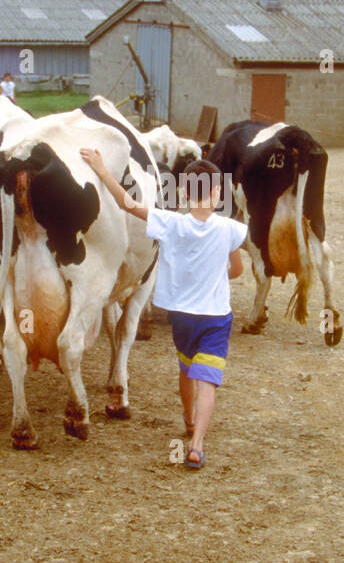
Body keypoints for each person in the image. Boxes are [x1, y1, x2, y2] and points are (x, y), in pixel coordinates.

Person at [79, 150, 245, 470]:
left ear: (183, 193)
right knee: (207, 380)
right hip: (215, 318)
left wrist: (102, 168)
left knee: (186, 370)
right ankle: (196, 445)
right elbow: (235, 271)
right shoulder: (230, 229)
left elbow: (127, 204)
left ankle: (188, 419)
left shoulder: (169, 222)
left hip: (181, 317)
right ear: (218, 193)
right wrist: (213, 275)